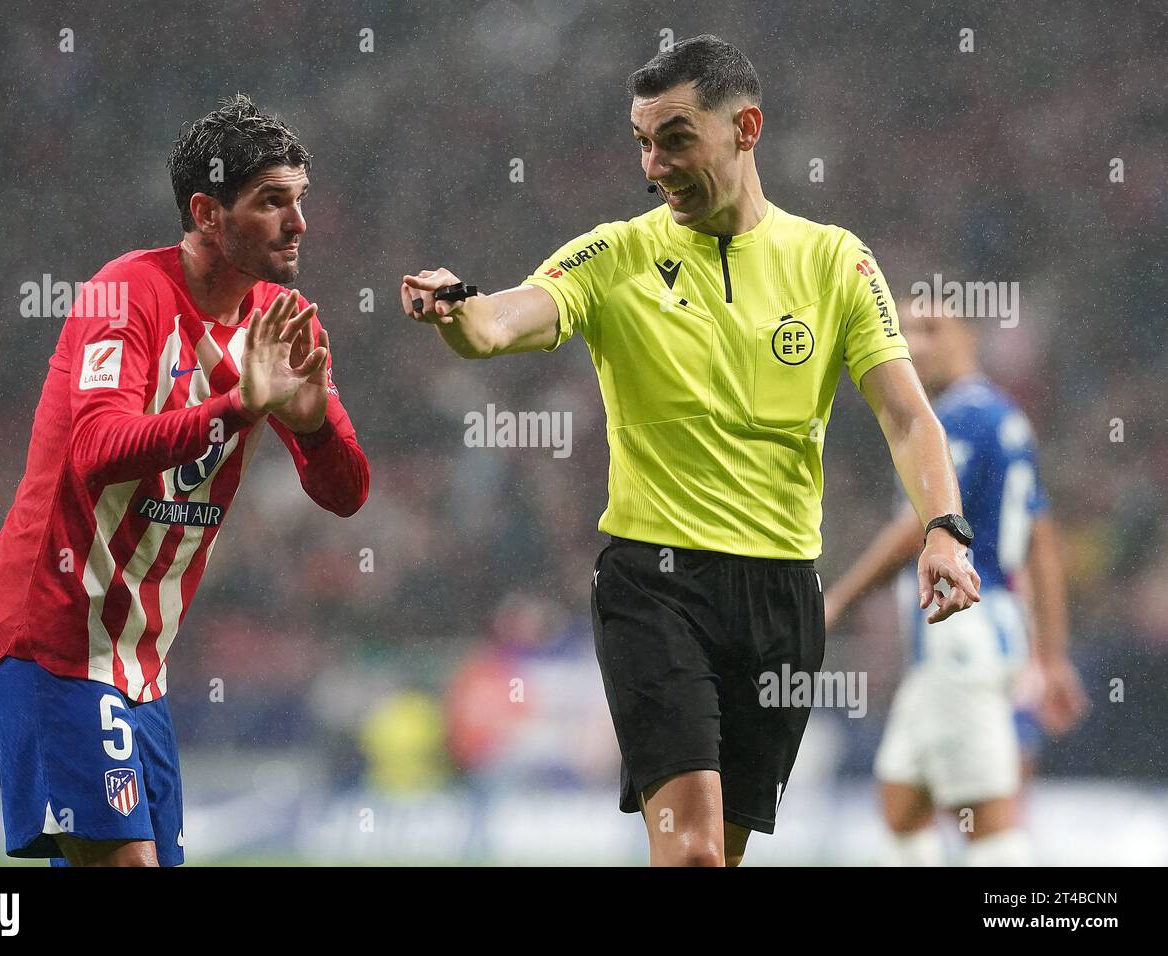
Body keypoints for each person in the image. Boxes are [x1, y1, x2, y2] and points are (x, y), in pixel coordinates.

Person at [399, 35, 980, 866]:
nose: (654, 164)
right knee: (694, 852)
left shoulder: (835, 261)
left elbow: (908, 416)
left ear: (746, 128)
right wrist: (457, 308)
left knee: (718, 859)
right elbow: (498, 323)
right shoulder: (615, 254)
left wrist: (943, 528)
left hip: (782, 595)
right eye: (642, 141)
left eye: (675, 137)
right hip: (655, 587)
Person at [0, 94, 369, 867]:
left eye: (301, 200)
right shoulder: (125, 295)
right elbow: (95, 448)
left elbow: (347, 493)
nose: (299, 223)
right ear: (208, 212)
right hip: (49, 634)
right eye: (272, 202)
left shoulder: (282, 320)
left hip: (137, 663)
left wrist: (313, 425)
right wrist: (236, 406)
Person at [825, 302, 1088, 866]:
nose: (914, 344)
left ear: (971, 335)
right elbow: (1041, 539)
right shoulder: (1004, 417)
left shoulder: (959, 418)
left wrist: (840, 599)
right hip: (973, 640)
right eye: (904, 331)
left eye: (930, 328)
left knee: (988, 822)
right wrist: (1051, 653)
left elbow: (914, 530)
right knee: (901, 803)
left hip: (961, 636)